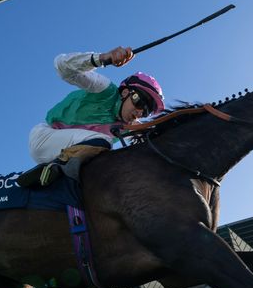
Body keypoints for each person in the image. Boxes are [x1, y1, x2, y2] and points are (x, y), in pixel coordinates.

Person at [17, 46, 165, 188]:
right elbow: (61, 65)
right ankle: (53, 170)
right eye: (140, 102)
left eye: (146, 111)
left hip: (62, 151)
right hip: (44, 137)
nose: (140, 112)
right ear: (125, 92)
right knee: (105, 143)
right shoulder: (104, 90)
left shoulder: (130, 127)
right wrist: (103, 58)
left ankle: (56, 179)